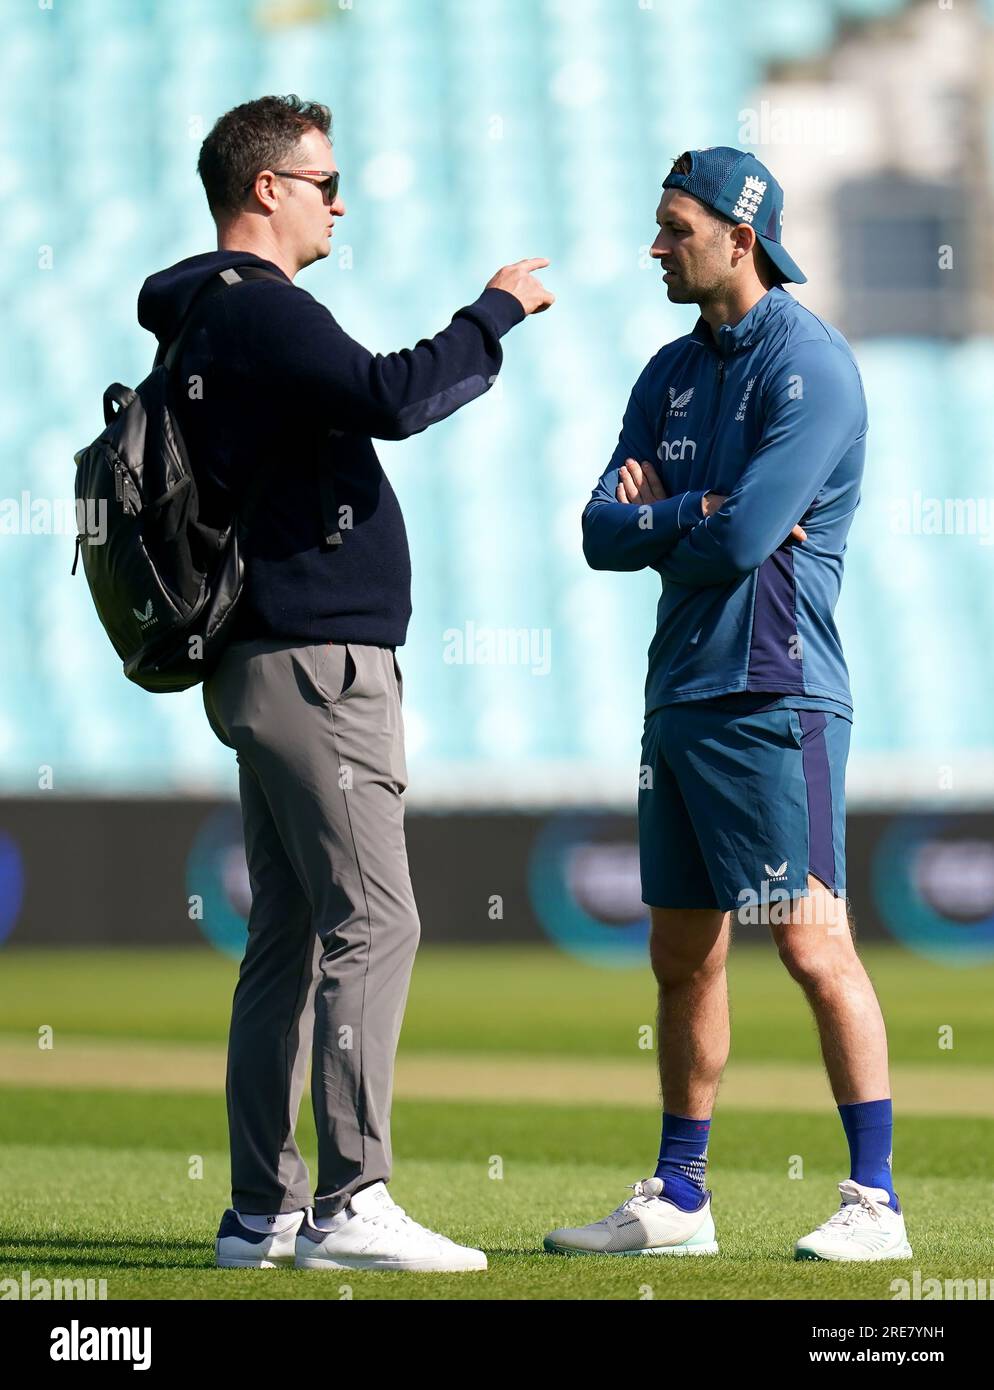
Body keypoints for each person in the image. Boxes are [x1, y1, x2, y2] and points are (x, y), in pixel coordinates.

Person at [137, 94, 553, 1273]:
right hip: (318, 661)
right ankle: (351, 1203)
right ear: (265, 189)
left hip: (259, 660)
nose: (340, 198)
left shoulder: (197, 321)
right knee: (377, 917)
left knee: (287, 934)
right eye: (324, 179)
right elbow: (393, 396)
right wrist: (495, 312)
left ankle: (260, 1212)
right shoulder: (258, 311)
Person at [544, 147, 911, 1263]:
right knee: (681, 956)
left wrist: (687, 514)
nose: (657, 246)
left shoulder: (816, 369)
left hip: (775, 692)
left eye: (675, 228)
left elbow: (751, 541)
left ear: (738, 238)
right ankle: (680, 1199)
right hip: (681, 693)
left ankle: (876, 1203)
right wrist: (699, 509)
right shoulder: (664, 372)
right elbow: (600, 532)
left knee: (810, 945)